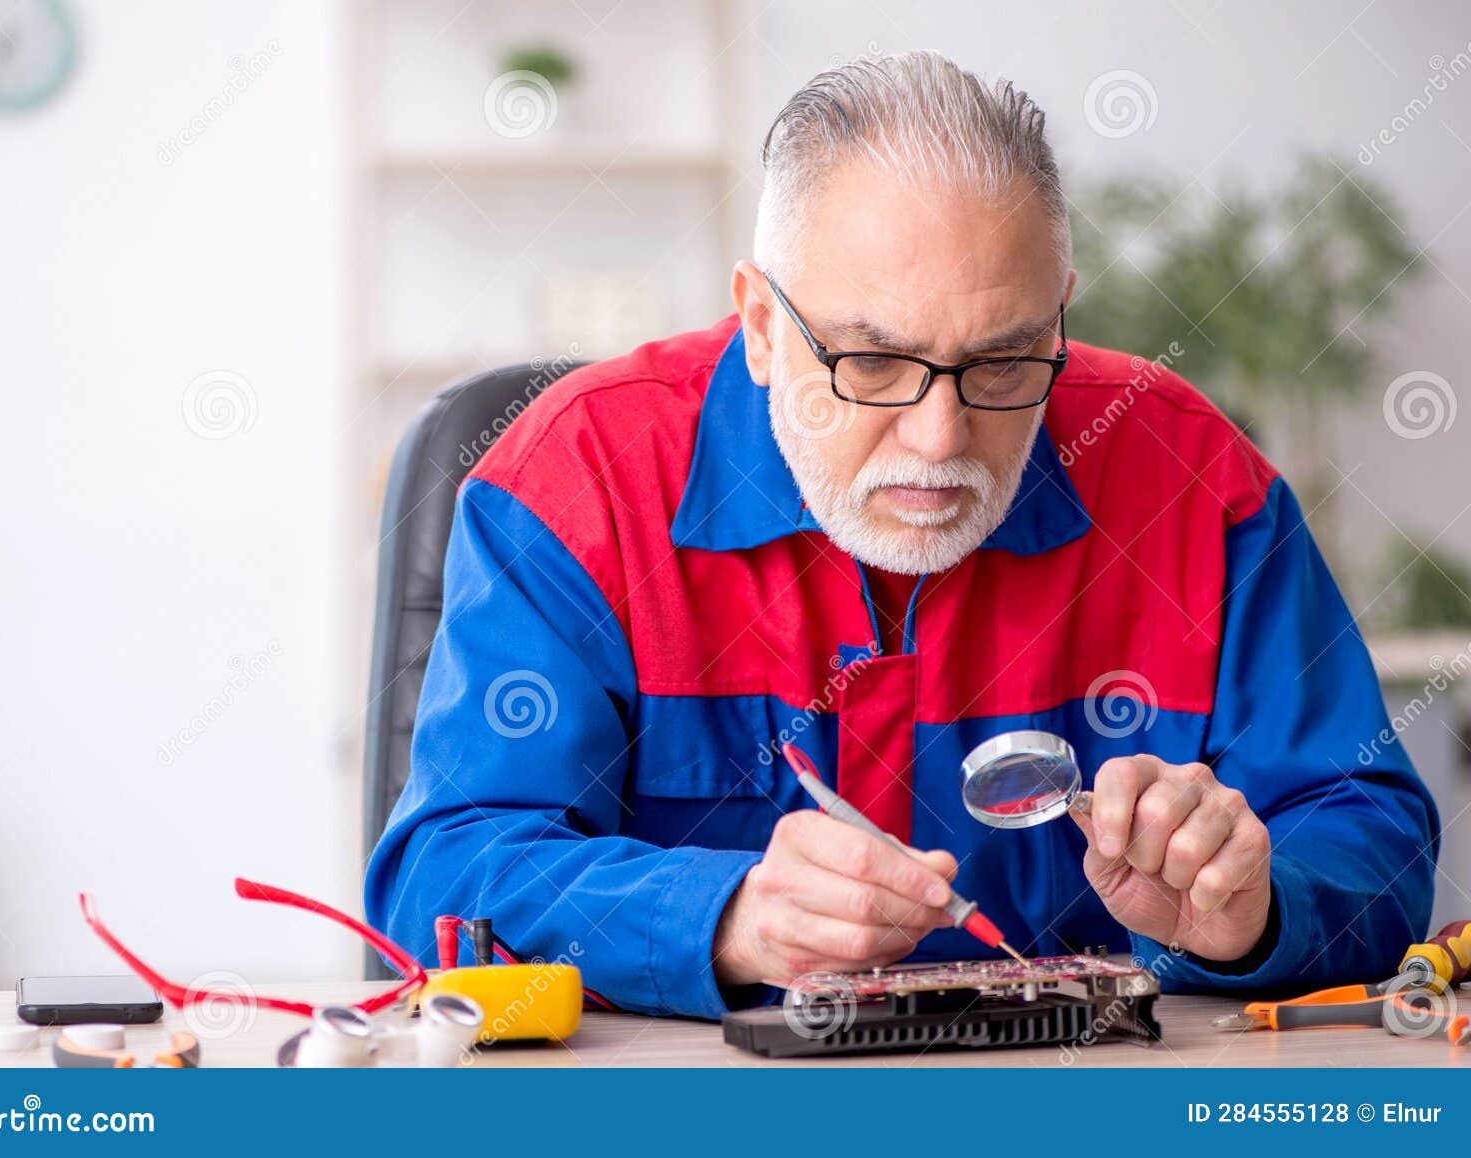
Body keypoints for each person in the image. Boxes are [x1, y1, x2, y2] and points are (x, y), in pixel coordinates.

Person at [365, 51, 1438, 1018]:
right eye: (870, 364)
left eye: (1004, 363)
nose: (939, 438)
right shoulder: (576, 483)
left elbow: (1369, 831)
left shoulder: (1194, 483)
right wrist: (723, 918)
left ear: (1057, 318)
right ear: (759, 327)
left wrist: (1254, 910)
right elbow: (444, 875)